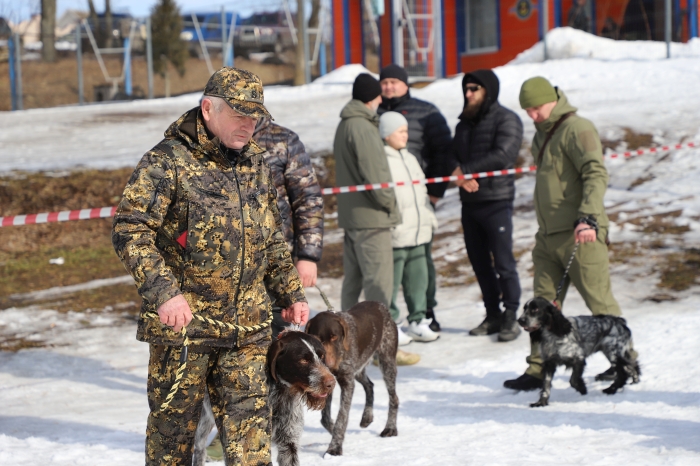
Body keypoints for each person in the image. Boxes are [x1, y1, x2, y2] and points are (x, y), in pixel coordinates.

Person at [112, 67, 309, 465]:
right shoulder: (167, 161)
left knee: (251, 443)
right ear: (208, 109)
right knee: (174, 443)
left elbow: (269, 235)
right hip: (184, 333)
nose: (248, 125)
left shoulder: (254, 163)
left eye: (254, 118)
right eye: (239, 115)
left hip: (246, 329)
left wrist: (289, 291)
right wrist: (165, 294)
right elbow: (130, 230)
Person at [504, 76, 628, 391]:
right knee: (539, 308)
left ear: (552, 100)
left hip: (580, 233)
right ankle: (537, 369)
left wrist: (587, 216)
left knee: (600, 304)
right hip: (547, 237)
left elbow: (595, 172)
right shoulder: (539, 136)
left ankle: (623, 362)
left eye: (536, 108)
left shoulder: (578, 128)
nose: (532, 115)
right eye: (527, 110)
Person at [334, 74, 420, 366]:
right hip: (371, 219)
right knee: (380, 289)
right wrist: (390, 205)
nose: (381, 100)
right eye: (378, 96)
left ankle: (346, 346)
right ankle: (384, 350)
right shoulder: (363, 127)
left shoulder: (345, 123)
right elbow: (375, 175)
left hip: (352, 219)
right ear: (371, 98)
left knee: (353, 284)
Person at [448, 70, 524, 342]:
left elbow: (504, 155)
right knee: (480, 263)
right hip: (469, 204)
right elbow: (450, 155)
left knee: (503, 263)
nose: (468, 94)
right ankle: (492, 313)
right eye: (466, 89)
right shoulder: (464, 124)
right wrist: (457, 172)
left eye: (474, 89)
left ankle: (511, 315)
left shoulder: (507, 119)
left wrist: (465, 171)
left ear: (487, 91)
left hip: (496, 201)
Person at [378, 64, 453, 332]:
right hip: (391, 206)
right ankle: (392, 319)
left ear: (405, 84)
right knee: (394, 266)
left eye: (393, 82)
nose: (388, 87)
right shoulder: (374, 112)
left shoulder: (427, 111)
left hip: (420, 200)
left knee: (422, 262)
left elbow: (444, 151)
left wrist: (434, 193)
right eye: (384, 82)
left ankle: (425, 311)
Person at [253, 117, 324, 338]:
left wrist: (307, 256)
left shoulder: (284, 140)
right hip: (221, 269)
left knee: (279, 339)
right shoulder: (205, 140)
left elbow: (307, 200)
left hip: (276, 264)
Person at [381, 111, 439, 345]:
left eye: (406, 130)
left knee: (419, 278)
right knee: (392, 281)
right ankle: (392, 322)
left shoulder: (410, 157)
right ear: (386, 134)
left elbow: (421, 192)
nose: (406, 135)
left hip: (419, 229)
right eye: (400, 131)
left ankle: (418, 319)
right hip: (398, 231)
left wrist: (429, 218)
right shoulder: (382, 160)